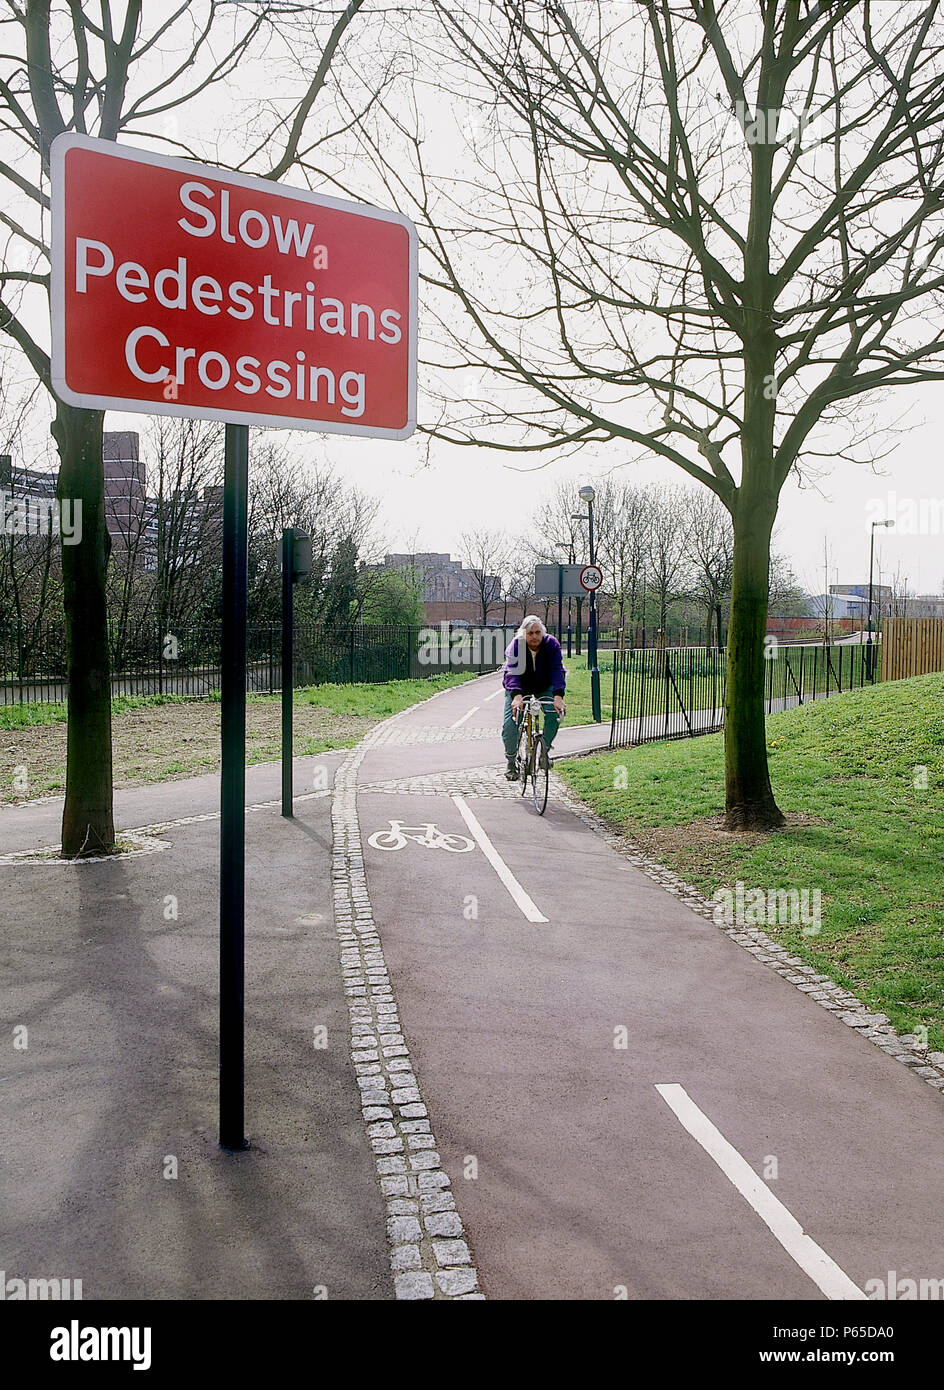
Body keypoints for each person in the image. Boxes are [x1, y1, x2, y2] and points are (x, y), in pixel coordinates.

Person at [501, 615, 566, 780]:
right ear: (524, 634)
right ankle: (510, 761)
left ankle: (544, 750)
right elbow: (512, 673)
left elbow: (557, 669)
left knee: (554, 714)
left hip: (545, 687)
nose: (535, 636)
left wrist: (558, 695)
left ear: (542, 633)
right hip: (519, 688)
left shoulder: (551, 644)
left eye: (538, 632)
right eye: (530, 633)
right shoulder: (516, 646)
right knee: (511, 724)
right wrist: (516, 696)